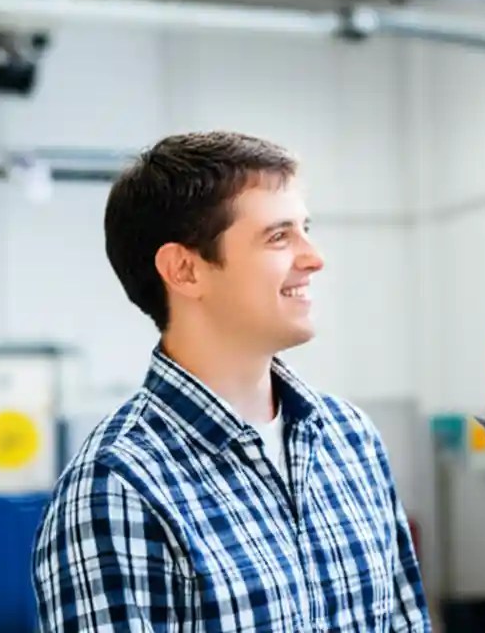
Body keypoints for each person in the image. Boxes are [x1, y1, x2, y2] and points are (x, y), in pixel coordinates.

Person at [32, 131, 431, 632]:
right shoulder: (117, 486)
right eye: (279, 236)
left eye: (304, 228)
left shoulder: (350, 439)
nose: (314, 257)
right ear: (185, 270)